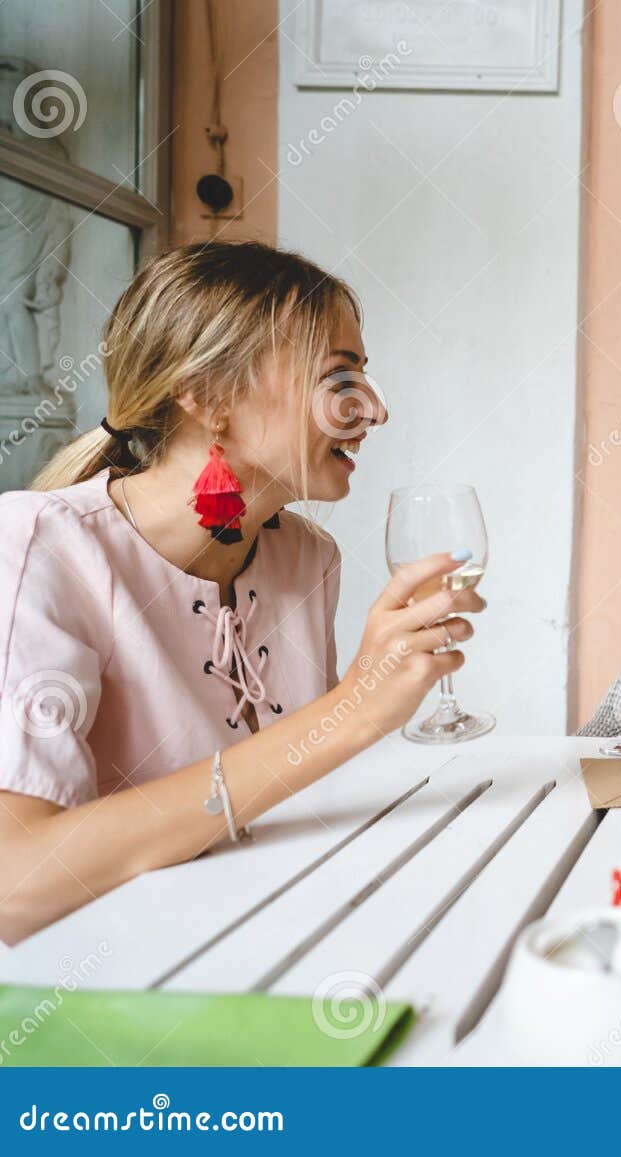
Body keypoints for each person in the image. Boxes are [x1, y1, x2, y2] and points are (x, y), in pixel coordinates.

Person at [0, 241, 485, 944]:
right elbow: (14, 882)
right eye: (340, 376)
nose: (374, 411)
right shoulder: (40, 544)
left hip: (267, 940)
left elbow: (297, 802)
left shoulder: (306, 559)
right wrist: (351, 709)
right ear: (209, 395)